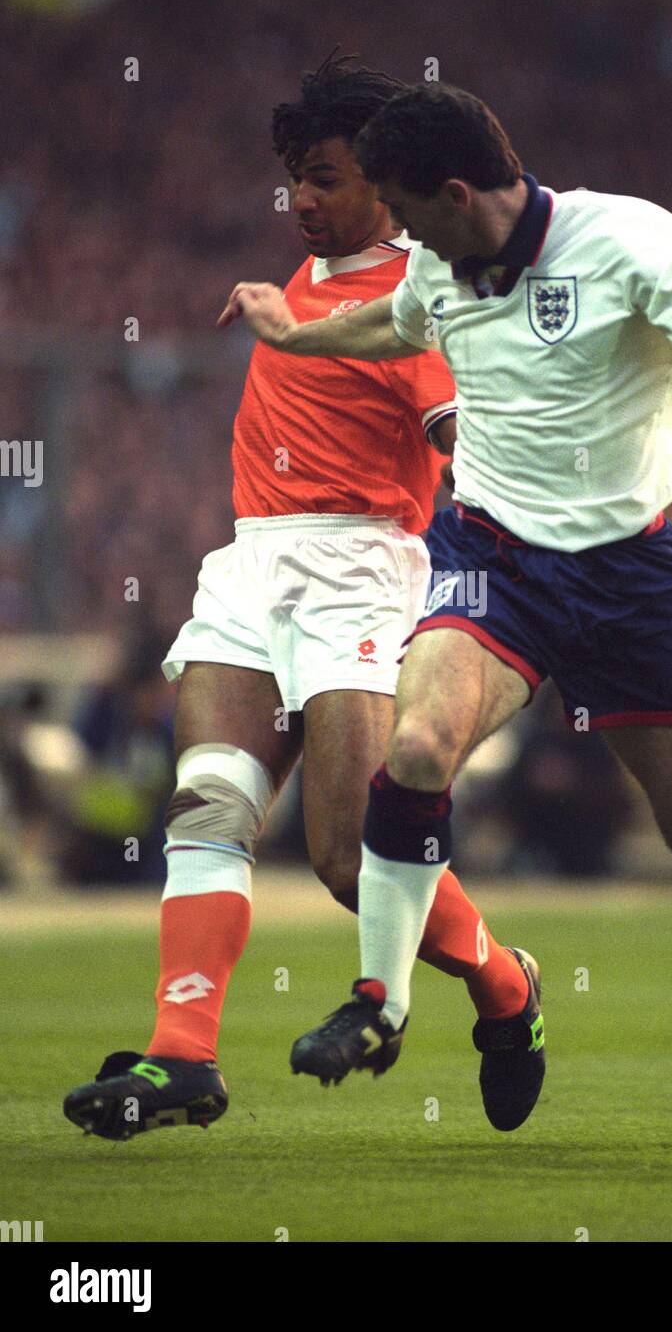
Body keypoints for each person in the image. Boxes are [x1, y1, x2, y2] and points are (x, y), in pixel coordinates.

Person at [218, 82, 672, 1091]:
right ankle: (378, 1002)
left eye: (402, 206)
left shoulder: (629, 245)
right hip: (491, 557)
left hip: (628, 578)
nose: (394, 229)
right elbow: (397, 324)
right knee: (420, 746)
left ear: (455, 190)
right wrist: (296, 334)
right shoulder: (437, 263)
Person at [63, 62, 544, 1144]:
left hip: (361, 576)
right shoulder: (318, 271)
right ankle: (182, 1056)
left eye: (322, 180)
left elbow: (469, 443)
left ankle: (506, 984)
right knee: (207, 809)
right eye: (294, 180)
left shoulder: (418, 299)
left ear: (387, 184)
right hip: (249, 568)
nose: (301, 201)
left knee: (344, 858)